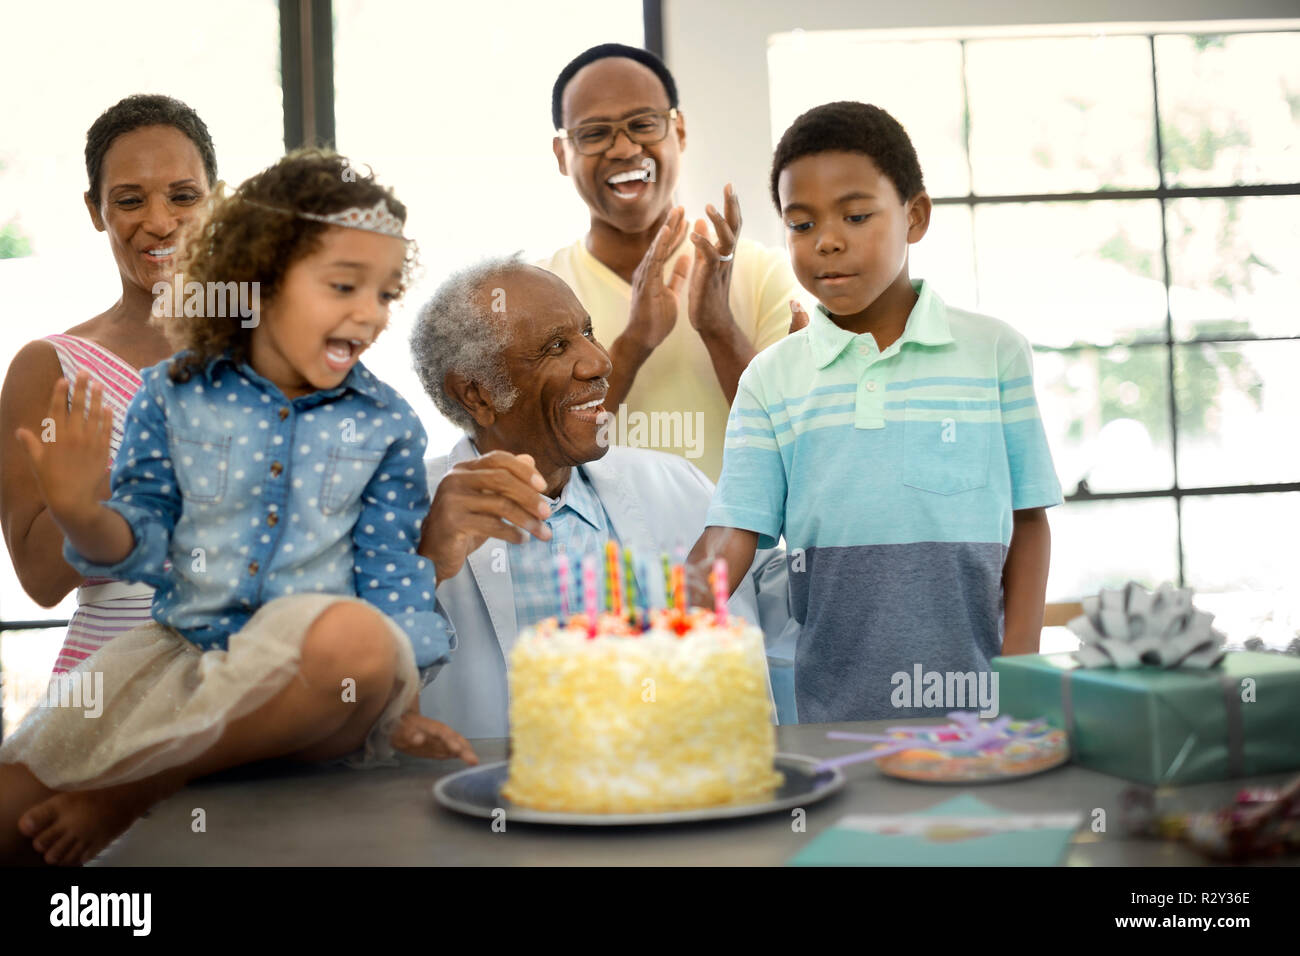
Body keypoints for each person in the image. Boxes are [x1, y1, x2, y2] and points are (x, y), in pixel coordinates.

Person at [0, 150, 476, 867]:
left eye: (383, 294)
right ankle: (163, 764)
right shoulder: (170, 393)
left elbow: (394, 582)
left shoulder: (387, 425)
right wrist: (74, 509)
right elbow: (135, 541)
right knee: (12, 812)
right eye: (344, 286)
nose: (368, 315)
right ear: (260, 280)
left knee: (354, 634)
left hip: (324, 687)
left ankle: (132, 792)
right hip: (193, 665)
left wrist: (401, 714)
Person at [690, 102, 1062, 723]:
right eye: (801, 225)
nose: (827, 241)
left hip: (981, 711)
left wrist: (1019, 666)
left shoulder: (995, 352)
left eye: (856, 216)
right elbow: (735, 530)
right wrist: (669, 616)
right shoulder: (771, 377)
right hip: (833, 717)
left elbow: (1028, 521)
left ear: (914, 217)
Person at [410, 255, 798, 738]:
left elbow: (803, 612)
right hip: (499, 810)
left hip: (678, 801)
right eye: (556, 347)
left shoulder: (678, 485)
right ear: (477, 395)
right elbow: (350, 696)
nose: (599, 361)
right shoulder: (404, 517)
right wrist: (425, 568)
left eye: (588, 332)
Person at [0, 94, 217, 674]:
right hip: (111, 703)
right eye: (128, 200)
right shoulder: (52, 368)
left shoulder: (276, 350)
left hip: (266, 698)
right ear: (96, 210)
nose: (159, 220)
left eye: (183, 195)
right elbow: (39, 579)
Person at [539, 43, 810, 482]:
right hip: (594, 553)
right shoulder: (540, 289)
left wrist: (719, 328)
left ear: (679, 131)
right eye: (593, 133)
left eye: (643, 124)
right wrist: (634, 343)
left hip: (742, 552)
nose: (625, 148)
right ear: (560, 154)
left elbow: (798, 446)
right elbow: (539, 455)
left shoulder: (763, 275)